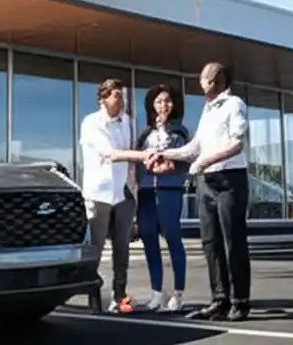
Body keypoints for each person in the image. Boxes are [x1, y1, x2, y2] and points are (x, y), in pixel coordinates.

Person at [149, 62, 251, 321]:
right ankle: (219, 299)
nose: (201, 85)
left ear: (215, 81)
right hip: (206, 181)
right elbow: (195, 146)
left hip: (230, 180)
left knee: (233, 241)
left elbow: (237, 143)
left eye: (204, 80)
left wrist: (206, 161)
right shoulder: (207, 109)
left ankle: (240, 301)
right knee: (211, 243)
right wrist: (165, 152)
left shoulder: (234, 104)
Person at [105, 83, 190, 311]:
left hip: (169, 190)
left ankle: (178, 294)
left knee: (172, 237)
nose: (163, 106)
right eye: (159, 101)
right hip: (146, 192)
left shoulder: (179, 132)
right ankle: (156, 293)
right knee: (148, 237)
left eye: (167, 101)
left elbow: (185, 160)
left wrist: (169, 163)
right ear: (152, 105)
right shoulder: (145, 133)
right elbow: (137, 160)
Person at [78, 77, 137, 314]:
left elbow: (129, 159)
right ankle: (94, 300)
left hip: (122, 194)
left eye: (122, 95)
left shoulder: (128, 123)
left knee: (122, 249)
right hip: (98, 194)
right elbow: (110, 153)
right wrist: (144, 155)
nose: (121, 99)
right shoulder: (91, 123)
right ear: (103, 98)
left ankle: (119, 297)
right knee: (95, 249)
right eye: (116, 95)